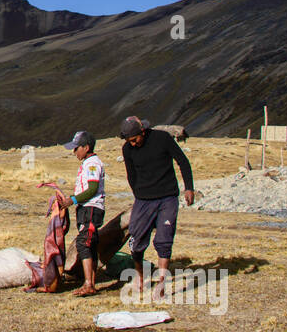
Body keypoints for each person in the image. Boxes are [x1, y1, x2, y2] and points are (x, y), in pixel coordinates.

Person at [119, 116, 194, 302]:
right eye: (130, 141)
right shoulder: (127, 149)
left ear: (142, 131)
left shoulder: (162, 139)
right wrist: (139, 193)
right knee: (136, 242)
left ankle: (161, 283)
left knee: (164, 240)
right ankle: (141, 276)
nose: (134, 144)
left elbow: (183, 162)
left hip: (167, 197)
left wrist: (189, 188)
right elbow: (131, 176)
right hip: (144, 200)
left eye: (135, 140)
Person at [58, 130, 106, 296]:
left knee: (84, 243)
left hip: (90, 208)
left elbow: (92, 189)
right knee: (90, 244)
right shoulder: (88, 163)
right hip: (86, 208)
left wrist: (72, 200)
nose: (74, 151)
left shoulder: (92, 164)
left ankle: (88, 284)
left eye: (76, 148)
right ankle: (90, 281)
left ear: (86, 147)